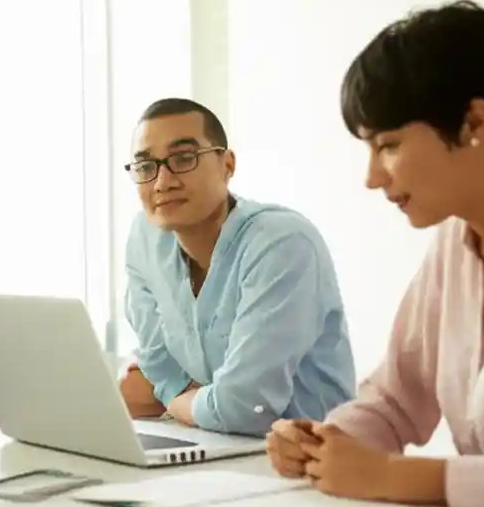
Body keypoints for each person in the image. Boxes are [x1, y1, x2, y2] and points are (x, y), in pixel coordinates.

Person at [267, 0, 484, 507]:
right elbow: (395, 399)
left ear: (476, 122)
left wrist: (399, 477)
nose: (372, 178)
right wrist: (324, 443)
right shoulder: (456, 242)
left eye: (388, 145)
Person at [120, 98, 355, 436]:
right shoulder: (145, 236)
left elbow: (246, 407)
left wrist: (173, 403)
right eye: (145, 167)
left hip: (312, 453)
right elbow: (160, 367)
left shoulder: (281, 244)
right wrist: (181, 396)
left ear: (227, 165)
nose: (162, 182)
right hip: (214, 443)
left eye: (183, 158)